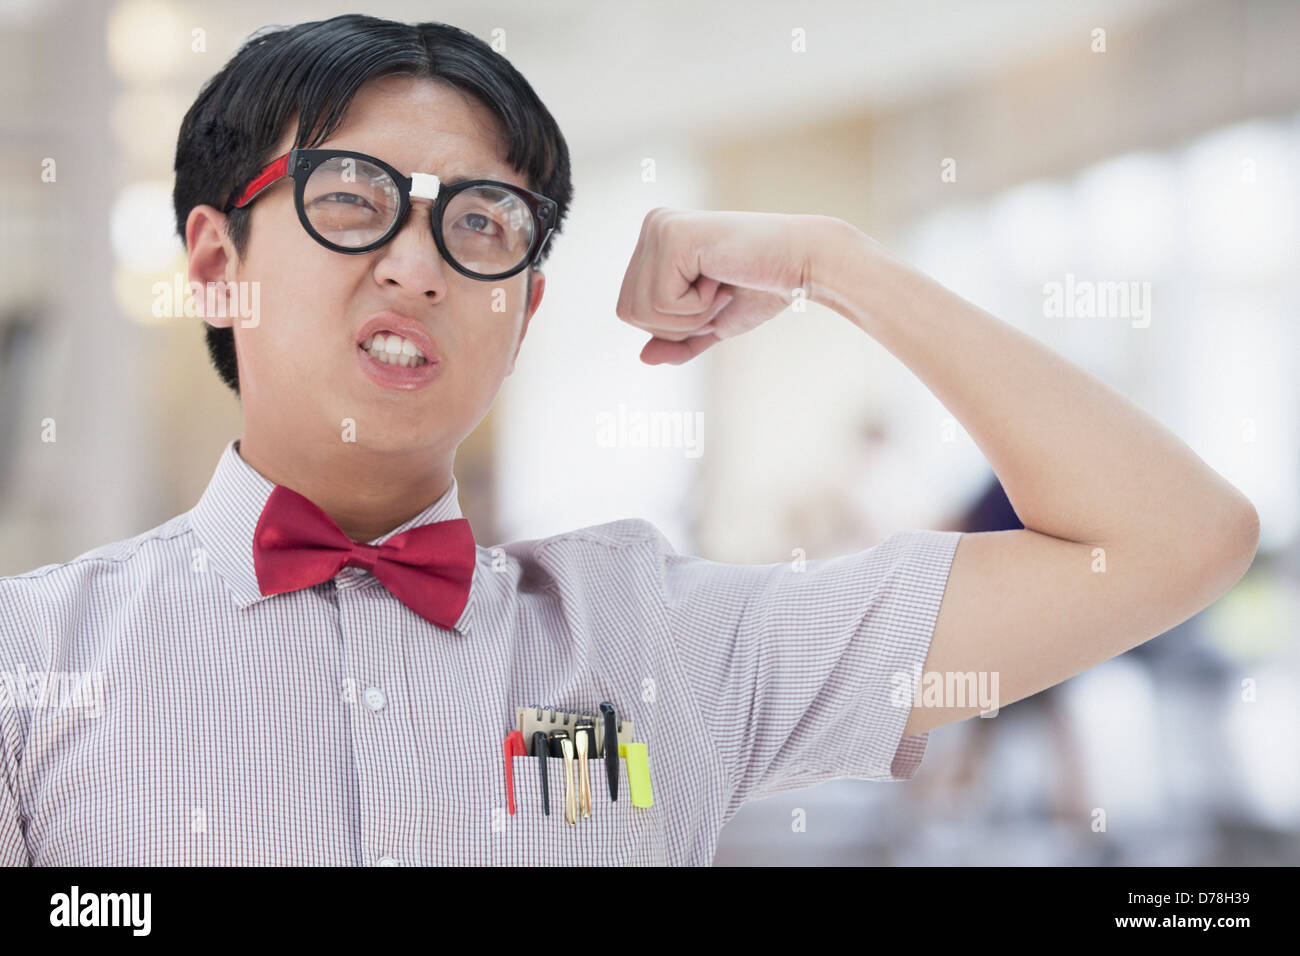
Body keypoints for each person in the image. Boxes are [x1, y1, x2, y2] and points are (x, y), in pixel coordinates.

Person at [0, 13, 1258, 867]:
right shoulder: (29, 664)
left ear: (526, 309)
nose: (416, 264)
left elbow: (1173, 538)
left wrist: (836, 262)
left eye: (482, 224)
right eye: (349, 199)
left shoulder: (666, 640)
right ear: (217, 267)